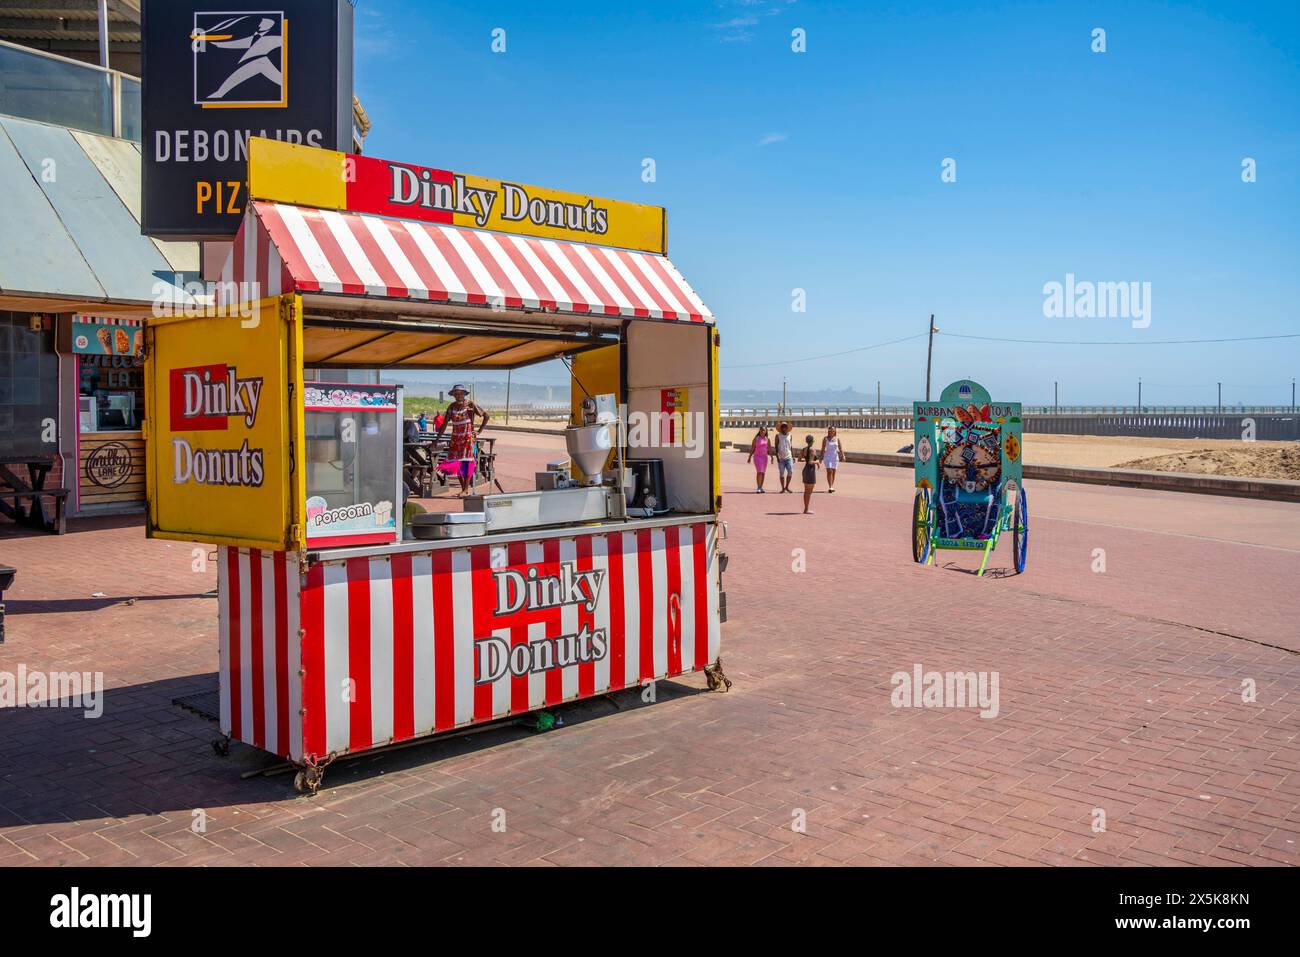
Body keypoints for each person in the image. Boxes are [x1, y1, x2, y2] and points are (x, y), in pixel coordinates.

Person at [434, 384, 489, 496]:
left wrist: (479, 431)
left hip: (467, 439)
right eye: (456, 393)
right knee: (456, 464)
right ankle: (464, 489)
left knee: (467, 464)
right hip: (455, 440)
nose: (458, 395)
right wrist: (437, 439)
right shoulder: (451, 407)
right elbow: (444, 425)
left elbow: (485, 416)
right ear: (453, 395)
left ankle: (465, 490)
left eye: (460, 393)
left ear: (464, 394)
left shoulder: (469, 405)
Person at [820, 425, 843, 493]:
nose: (832, 431)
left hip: (835, 457)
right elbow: (823, 449)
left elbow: (841, 448)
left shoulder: (837, 438)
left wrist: (843, 455)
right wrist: (821, 458)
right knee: (829, 471)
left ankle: (831, 486)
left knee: (833, 473)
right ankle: (830, 486)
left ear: (835, 431)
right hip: (827, 457)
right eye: (830, 430)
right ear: (828, 431)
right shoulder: (825, 439)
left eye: (833, 430)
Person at [747, 426, 771, 492]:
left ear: (766, 431)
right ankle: (758, 487)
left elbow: (769, 448)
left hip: (764, 458)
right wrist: (749, 457)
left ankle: (761, 487)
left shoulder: (767, 439)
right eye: (761, 430)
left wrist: (771, 457)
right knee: (759, 471)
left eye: (764, 430)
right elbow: (752, 448)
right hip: (757, 457)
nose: (762, 431)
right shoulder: (756, 439)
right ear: (759, 431)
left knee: (763, 472)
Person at [773, 421, 795, 493]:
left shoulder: (790, 435)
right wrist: (777, 457)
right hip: (781, 458)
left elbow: (791, 446)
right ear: (781, 428)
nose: (784, 428)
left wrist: (793, 457)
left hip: (789, 457)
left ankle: (787, 487)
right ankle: (783, 488)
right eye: (782, 427)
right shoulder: (778, 436)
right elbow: (776, 447)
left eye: (785, 426)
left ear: (787, 427)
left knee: (790, 472)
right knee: (781, 473)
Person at [800, 434, 818, 514]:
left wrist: (805, 460)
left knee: (806, 490)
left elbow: (800, 459)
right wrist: (817, 462)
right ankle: (806, 509)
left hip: (805, 469)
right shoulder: (812, 450)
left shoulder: (804, 449)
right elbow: (811, 462)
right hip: (810, 470)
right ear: (812, 441)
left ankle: (806, 508)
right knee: (809, 491)